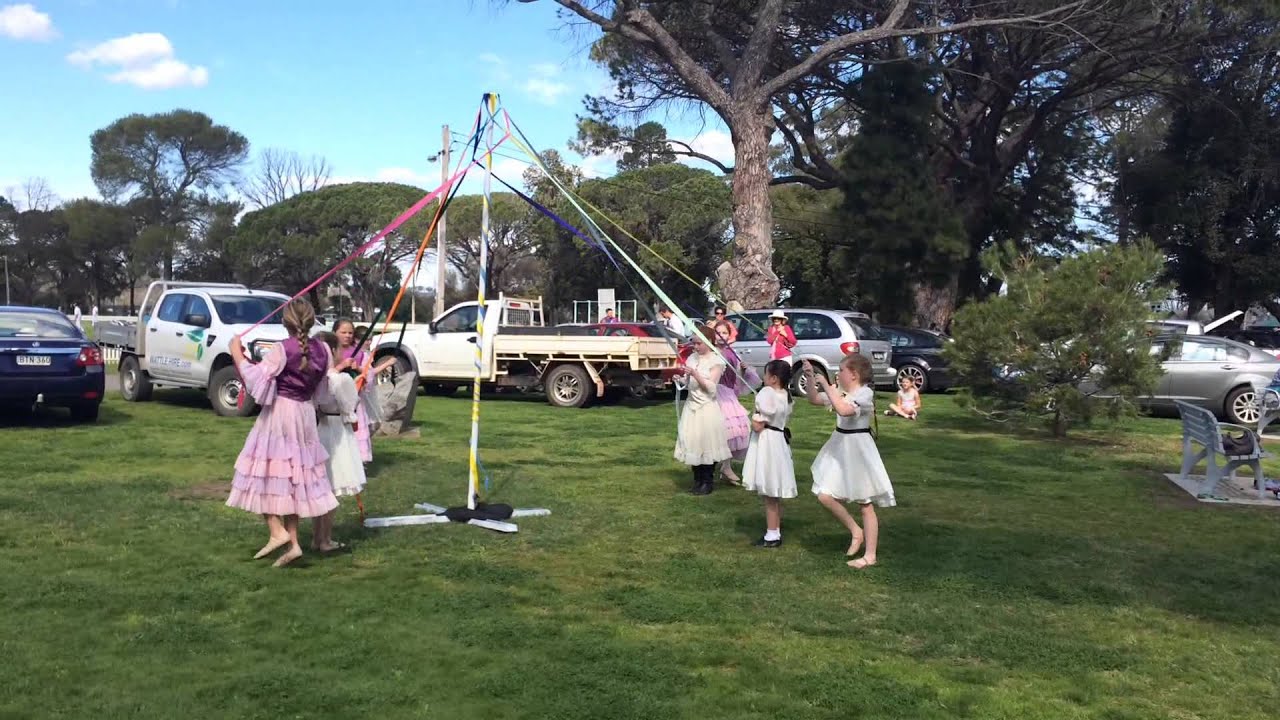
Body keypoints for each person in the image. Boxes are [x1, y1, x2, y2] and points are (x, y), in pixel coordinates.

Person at [225, 299, 338, 568]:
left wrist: (236, 353)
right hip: (305, 413)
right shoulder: (323, 349)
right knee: (291, 476)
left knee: (264, 469)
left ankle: (277, 532)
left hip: (281, 415)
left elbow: (255, 379)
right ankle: (293, 543)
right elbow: (323, 390)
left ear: (285, 322)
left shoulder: (281, 349)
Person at [803, 353, 895, 570]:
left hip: (858, 448)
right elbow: (814, 400)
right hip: (840, 445)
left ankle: (870, 555)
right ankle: (856, 531)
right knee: (825, 495)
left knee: (865, 502)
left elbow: (844, 410)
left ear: (853, 374)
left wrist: (827, 384)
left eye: (842, 370)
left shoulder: (864, 393)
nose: (838, 374)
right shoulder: (842, 392)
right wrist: (810, 379)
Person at [311, 331, 367, 553]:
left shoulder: (316, 378)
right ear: (333, 351)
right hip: (337, 432)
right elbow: (350, 408)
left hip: (320, 428)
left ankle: (318, 537)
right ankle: (325, 539)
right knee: (332, 488)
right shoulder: (340, 379)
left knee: (322, 488)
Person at [742, 360, 796, 548]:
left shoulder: (768, 394)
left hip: (768, 442)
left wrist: (755, 415)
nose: (764, 379)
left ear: (773, 378)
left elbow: (758, 425)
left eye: (765, 375)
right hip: (779, 441)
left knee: (769, 491)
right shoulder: (785, 395)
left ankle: (772, 534)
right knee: (772, 489)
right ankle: (774, 530)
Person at [674, 332, 732, 496]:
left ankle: (707, 481)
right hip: (692, 406)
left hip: (706, 407)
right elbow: (688, 383)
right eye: (694, 343)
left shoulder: (717, 361)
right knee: (693, 442)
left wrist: (696, 374)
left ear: (709, 342)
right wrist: (680, 380)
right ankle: (697, 480)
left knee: (706, 444)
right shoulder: (692, 358)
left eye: (699, 343)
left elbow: (711, 388)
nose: (696, 346)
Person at [333, 319, 395, 462]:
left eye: (350, 332)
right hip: (334, 399)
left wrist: (358, 368)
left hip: (355, 399)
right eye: (343, 332)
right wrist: (342, 365)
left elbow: (368, 374)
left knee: (356, 429)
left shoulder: (359, 354)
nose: (347, 335)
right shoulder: (330, 350)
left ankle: (356, 461)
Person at [712, 321, 759, 485]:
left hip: (728, 394)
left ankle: (725, 465)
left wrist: (744, 369)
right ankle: (718, 465)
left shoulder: (731, 353)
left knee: (735, 430)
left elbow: (737, 378)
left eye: (724, 333)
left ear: (729, 335)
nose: (720, 336)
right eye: (717, 333)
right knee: (720, 430)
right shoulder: (710, 352)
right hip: (714, 393)